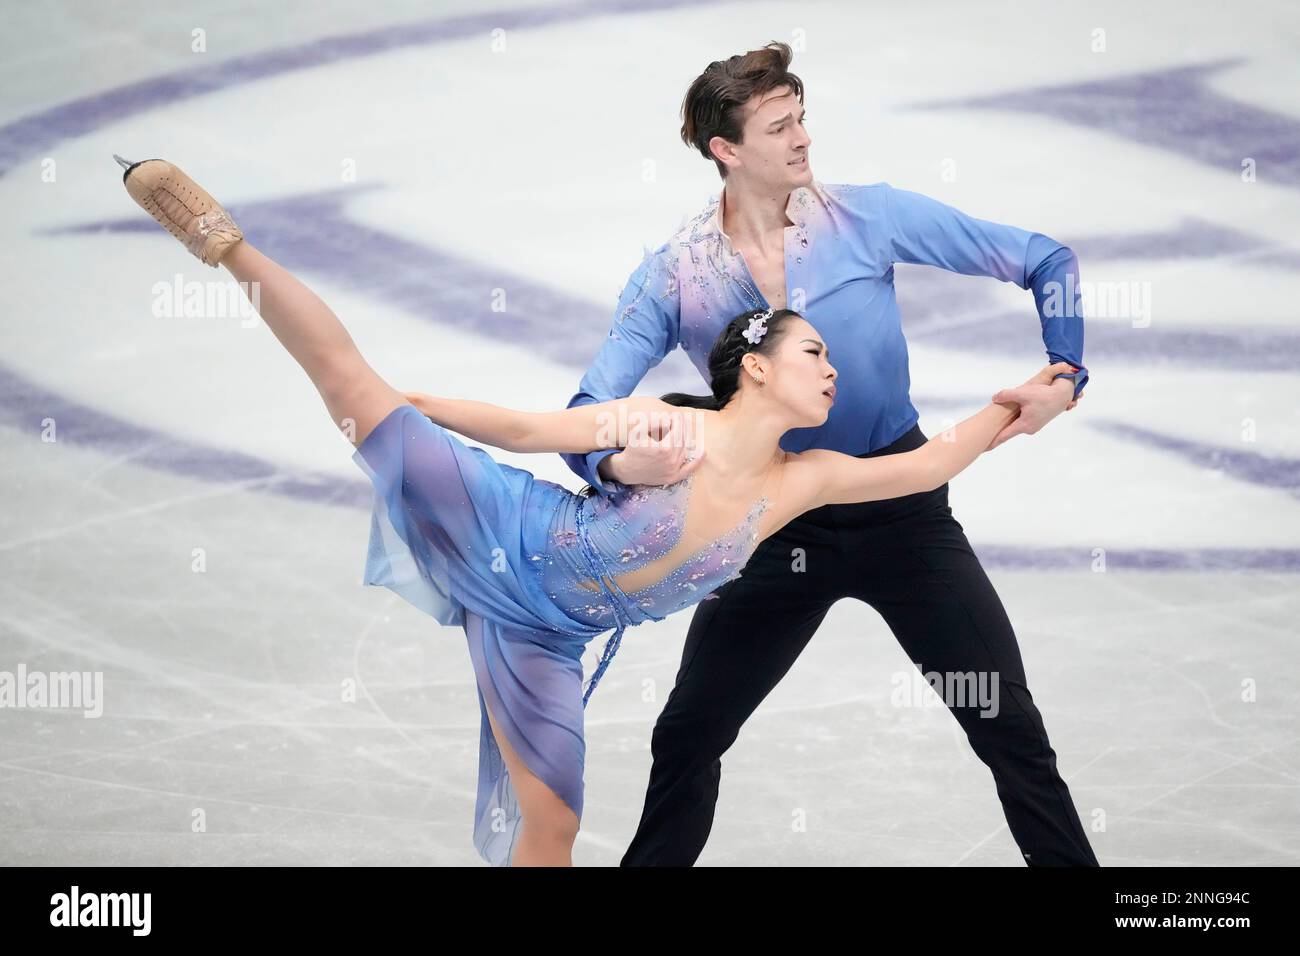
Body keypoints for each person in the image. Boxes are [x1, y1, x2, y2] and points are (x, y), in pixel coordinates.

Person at [115, 155, 1055, 866]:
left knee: (552, 822)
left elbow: (933, 460)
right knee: (345, 382)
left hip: (548, 638)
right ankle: (224, 243)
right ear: (758, 368)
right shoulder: (665, 429)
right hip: (508, 532)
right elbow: (531, 431)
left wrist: (1021, 407)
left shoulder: (801, 485)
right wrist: (407, 408)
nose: (834, 369)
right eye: (816, 355)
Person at [560, 42, 1099, 866]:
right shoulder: (678, 275)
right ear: (726, 150)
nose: (804, 138)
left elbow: (1042, 259)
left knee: (1008, 728)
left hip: (902, 516)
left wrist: (1064, 373)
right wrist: (623, 464)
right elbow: (586, 415)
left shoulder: (866, 216)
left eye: (803, 117)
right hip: (772, 530)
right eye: (780, 127)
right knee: (688, 737)